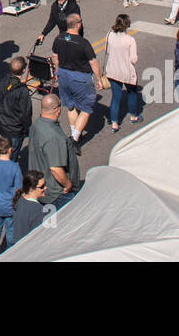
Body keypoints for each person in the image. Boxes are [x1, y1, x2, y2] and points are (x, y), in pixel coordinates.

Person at [52, 13, 103, 143]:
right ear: (78, 25)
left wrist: (57, 71)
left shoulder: (58, 38)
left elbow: (55, 57)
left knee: (71, 106)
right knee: (86, 108)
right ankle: (74, 138)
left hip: (63, 74)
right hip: (80, 77)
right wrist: (99, 79)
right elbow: (93, 62)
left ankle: (74, 132)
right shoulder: (83, 42)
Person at [27, 94, 80, 208]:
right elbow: (55, 169)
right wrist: (68, 184)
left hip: (42, 188)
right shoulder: (53, 136)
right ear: (58, 110)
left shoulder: (37, 125)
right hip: (57, 194)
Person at [104, 14, 142, 131]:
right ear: (127, 25)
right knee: (132, 92)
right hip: (126, 71)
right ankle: (133, 116)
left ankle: (114, 123)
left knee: (115, 97)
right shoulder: (130, 40)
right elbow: (133, 59)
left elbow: (107, 51)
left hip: (112, 70)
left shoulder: (110, 35)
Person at [0, 56, 33, 163]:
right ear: (23, 70)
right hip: (15, 129)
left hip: (3, 125)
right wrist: (27, 129)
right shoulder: (22, 90)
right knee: (12, 155)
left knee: (6, 151)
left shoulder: (2, 82)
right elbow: (26, 113)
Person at [10, 171, 49, 246]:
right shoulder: (39, 210)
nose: (45, 187)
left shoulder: (19, 199)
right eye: (42, 187)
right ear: (31, 188)